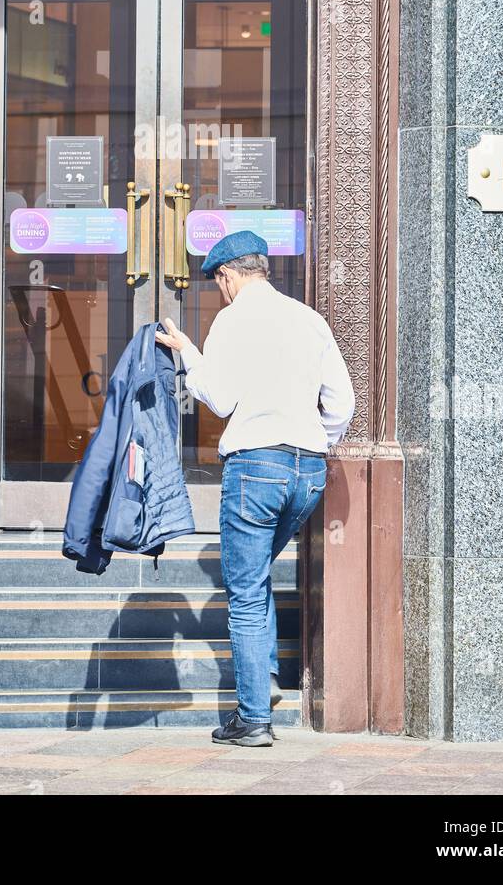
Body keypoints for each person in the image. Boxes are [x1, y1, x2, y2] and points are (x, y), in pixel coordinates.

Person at [155, 229, 355, 747]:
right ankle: (263, 676)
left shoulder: (233, 319)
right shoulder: (309, 319)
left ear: (228, 276)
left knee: (243, 593)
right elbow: (343, 402)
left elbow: (218, 399)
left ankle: (252, 719)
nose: (220, 291)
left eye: (218, 281)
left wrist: (189, 355)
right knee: (259, 569)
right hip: (308, 468)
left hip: (256, 466)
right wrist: (316, 443)